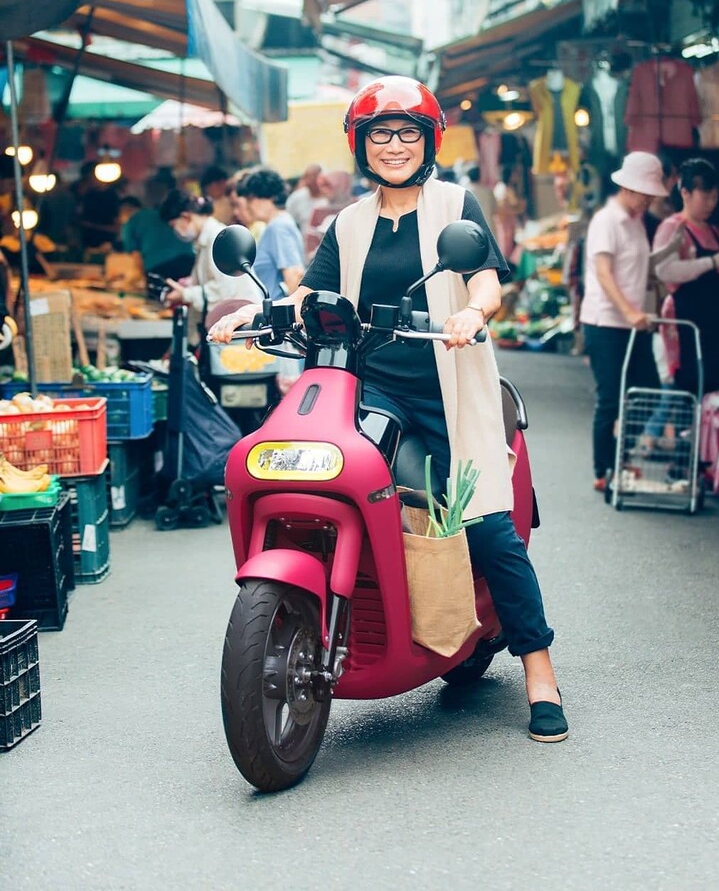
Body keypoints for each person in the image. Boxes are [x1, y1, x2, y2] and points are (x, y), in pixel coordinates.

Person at [209, 75, 569, 743]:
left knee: (486, 525)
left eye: (407, 133)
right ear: (360, 146)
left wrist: (471, 309)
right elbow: (306, 294)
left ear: (427, 140)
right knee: (361, 496)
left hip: (449, 395)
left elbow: (486, 274)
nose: (394, 145)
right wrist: (249, 313)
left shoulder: (457, 202)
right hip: (372, 392)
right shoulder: (349, 223)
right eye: (380, 134)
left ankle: (538, 670)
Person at [580, 152, 681, 491]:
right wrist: (629, 312)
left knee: (648, 392)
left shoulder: (636, 221)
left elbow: (638, 268)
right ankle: (603, 470)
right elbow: (605, 274)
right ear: (630, 187)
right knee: (610, 398)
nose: (651, 199)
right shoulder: (607, 221)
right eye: (647, 192)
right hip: (605, 322)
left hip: (634, 323)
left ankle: (619, 459)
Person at [653, 158, 719, 396]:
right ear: (685, 193)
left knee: (715, 390)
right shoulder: (673, 227)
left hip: (716, 323)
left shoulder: (714, 231)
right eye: (705, 197)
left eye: (715, 197)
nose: (711, 204)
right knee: (690, 388)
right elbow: (664, 270)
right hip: (689, 324)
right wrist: (712, 261)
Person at [158, 189, 262, 340]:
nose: (176, 231)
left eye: (174, 225)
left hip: (243, 327)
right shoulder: (204, 242)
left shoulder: (217, 239)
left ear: (185, 217)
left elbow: (223, 291)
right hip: (230, 326)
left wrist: (185, 294)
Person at [235, 168, 305, 300]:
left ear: (268, 198)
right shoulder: (278, 225)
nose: (249, 205)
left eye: (251, 199)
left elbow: (294, 275)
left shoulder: (278, 227)